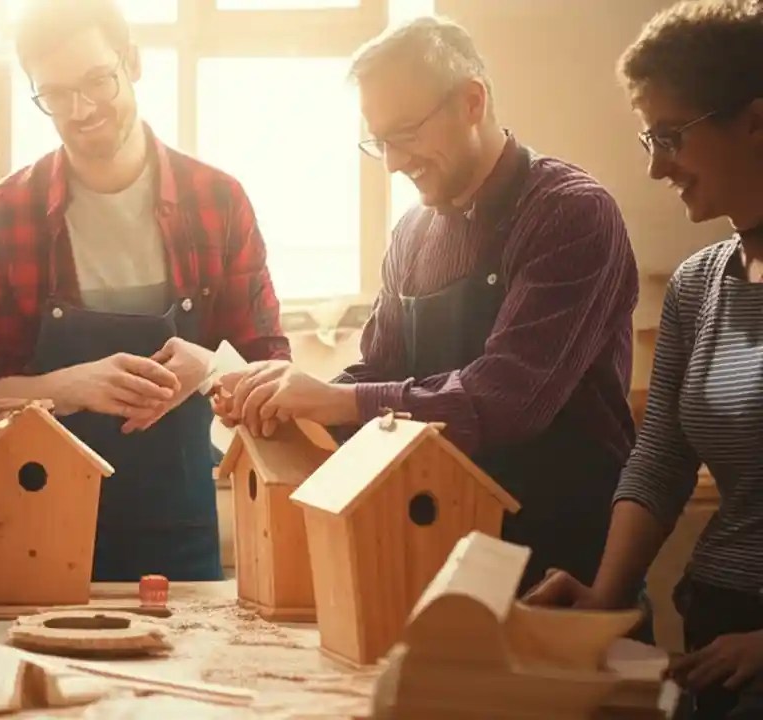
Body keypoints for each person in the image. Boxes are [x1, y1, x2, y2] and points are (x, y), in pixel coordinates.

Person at [215, 16, 639, 595]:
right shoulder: (412, 234)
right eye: (379, 142)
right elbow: (377, 373)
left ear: (471, 102)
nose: (391, 162)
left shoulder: (569, 214)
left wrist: (336, 400)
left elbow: (508, 400)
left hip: (563, 571)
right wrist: (292, 403)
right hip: (436, 557)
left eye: (406, 133)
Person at [0, 0, 289, 582]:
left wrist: (209, 369)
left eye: (96, 81)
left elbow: (273, 375)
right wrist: (69, 387)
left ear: (132, 62)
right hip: (36, 529)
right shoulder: (2, 217)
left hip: (182, 534)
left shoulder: (219, 202)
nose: (81, 110)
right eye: (56, 94)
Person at [525, 2, 763, 717]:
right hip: (715, 629)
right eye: (647, 139)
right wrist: (605, 597)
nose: (657, 166)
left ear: (755, 121)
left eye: (671, 136)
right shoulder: (698, 284)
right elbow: (661, 455)